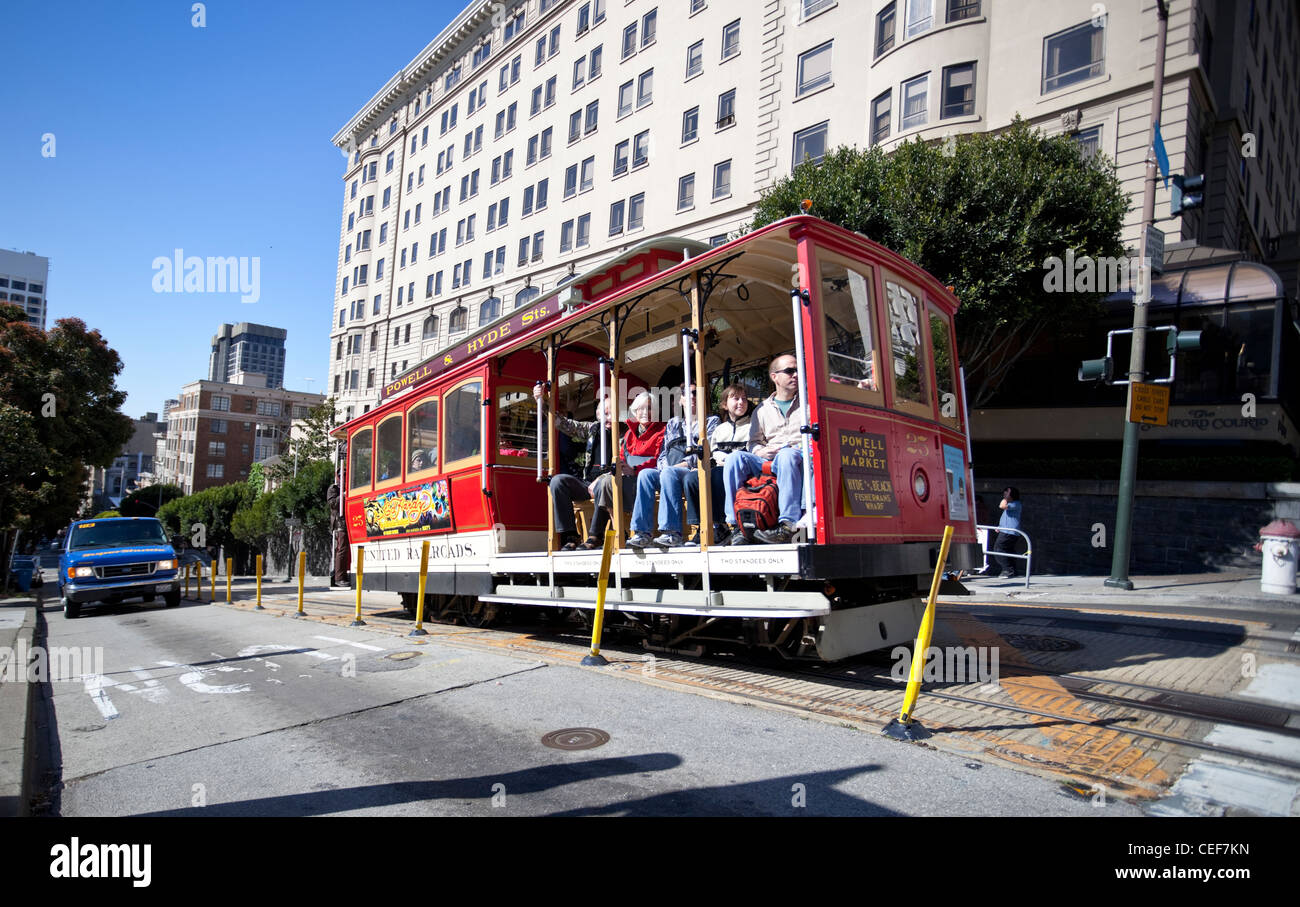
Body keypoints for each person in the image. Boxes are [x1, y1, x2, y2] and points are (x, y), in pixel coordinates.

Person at [722, 354, 805, 544]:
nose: (796, 375)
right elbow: (753, 442)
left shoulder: (808, 402)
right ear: (774, 377)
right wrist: (760, 451)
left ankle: (787, 525)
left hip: (797, 456)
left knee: (786, 454)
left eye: (798, 370)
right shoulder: (761, 409)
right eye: (790, 371)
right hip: (768, 459)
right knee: (735, 458)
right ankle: (736, 526)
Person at [627, 383, 720, 549]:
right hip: (669, 471)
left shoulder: (710, 421)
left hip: (693, 470)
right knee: (646, 474)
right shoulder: (673, 424)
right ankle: (642, 532)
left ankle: (672, 532)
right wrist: (664, 469)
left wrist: (677, 466)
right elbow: (663, 453)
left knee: (668, 473)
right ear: (680, 400)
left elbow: (705, 451)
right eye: (686, 394)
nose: (691, 396)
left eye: (695, 393)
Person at [991, 486, 1022, 578]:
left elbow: (1002, 506)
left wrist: (1005, 498)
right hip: (1007, 530)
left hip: (1009, 532)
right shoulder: (1012, 504)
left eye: (1007, 493)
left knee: (998, 549)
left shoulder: (1015, 504)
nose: (1004, 494)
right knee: (1008, 550)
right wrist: (1000, 527)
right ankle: (1012, 571)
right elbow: (1007, 518)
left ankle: (1007, 570)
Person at [328, 481, 351, 588]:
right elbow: (332, 504)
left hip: (350, 519)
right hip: (340, 521)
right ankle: (339, 577)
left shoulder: (350, 484)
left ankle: (344, 574)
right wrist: (343, 495)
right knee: (342, 548)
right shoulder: (333, 488)